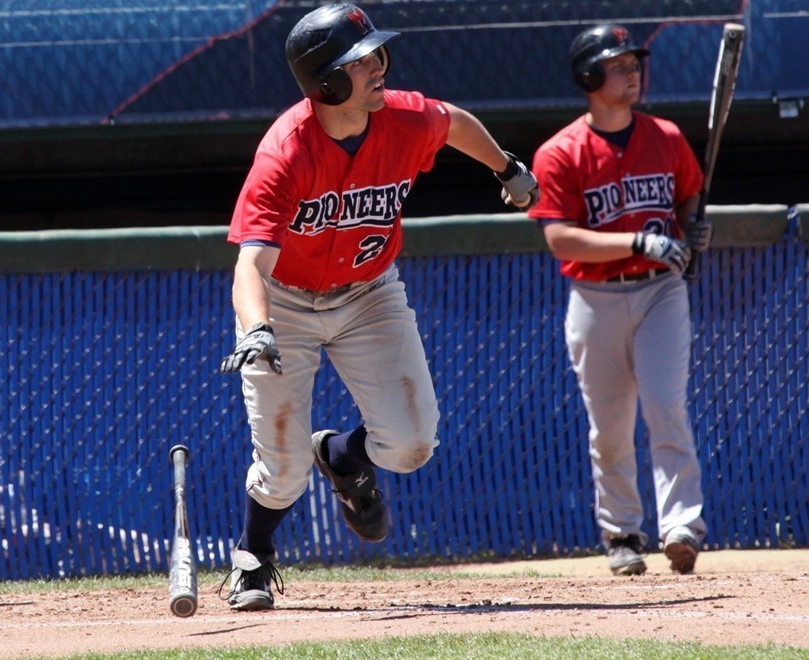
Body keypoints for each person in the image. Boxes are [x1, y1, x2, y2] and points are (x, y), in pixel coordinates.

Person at [218, 3, 539, 611]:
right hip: (285, 303)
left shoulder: (403, 118)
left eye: (376, 54)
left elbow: (454, 122)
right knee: (283, 467)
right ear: (326, 82)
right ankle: (252, 559)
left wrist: (508, 167)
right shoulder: (285, 152)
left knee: (412, 444)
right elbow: (250, 265)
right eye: (359, 60)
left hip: (369, 292)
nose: (378, 66)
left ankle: (340, 456)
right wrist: (257, 328)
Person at [527, 24, 712, 576]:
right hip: (595, 296)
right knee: (608, 427)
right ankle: (623, 534)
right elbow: (560, 238)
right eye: (619, 65)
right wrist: (635, 241)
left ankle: (682, 526)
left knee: (665, 404)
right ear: (589, 77)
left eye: (635, 64)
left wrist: (694, 226)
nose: (633, 72)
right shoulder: (560, 152)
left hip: (660, 291)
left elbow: (689, 197)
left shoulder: (667, 136)